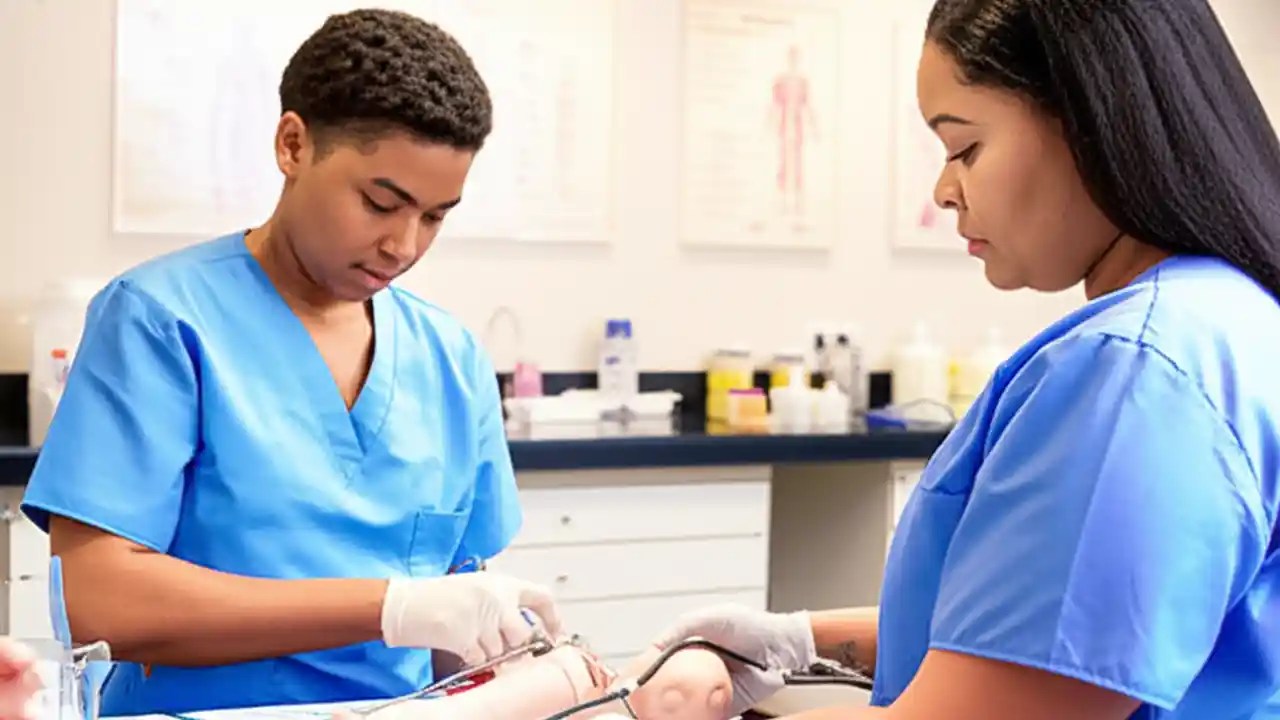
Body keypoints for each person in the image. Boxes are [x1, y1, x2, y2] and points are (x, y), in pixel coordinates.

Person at [656, 1, 1280, 718]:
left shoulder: (1134, 372)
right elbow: (1049, 638)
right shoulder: (1228, 319)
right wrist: (798, 641)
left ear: (1092, 121)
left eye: (964, 149)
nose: (944, 191)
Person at [21, 9, 560, 716]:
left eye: (434, 216)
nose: (404, 245)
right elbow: (99, 604)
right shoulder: (161, 320)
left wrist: (530, 663)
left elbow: (456, 628)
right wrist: (390, 607)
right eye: (380, 202)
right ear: (292, 143)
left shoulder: (450, 359)